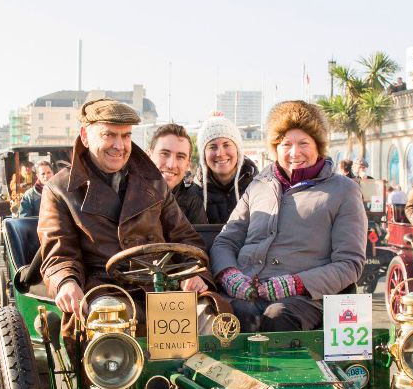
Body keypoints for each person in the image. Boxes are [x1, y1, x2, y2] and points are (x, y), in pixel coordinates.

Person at [37, 98, 208, 320]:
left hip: (162, 289)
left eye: (126, 136)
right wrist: (66, 282)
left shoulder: (153, 182)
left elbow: (185, 237)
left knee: (212, 316)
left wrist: (193, 274)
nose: (119, 146)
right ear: (85, 136)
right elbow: (59, 253)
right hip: (105, 291)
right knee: (108, 321)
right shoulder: (60, 189)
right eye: (109, 135)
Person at [211, 100, 365, 332]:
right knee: (217, 313)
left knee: (277, 316)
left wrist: (296, 284)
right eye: (286, 144)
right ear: (276, 148)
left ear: (318, 146)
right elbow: (226, 240)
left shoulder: (343, 190)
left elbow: (349, 263)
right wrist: (229, 274)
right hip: (245, 293)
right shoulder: (259, 185)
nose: (295, 153)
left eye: (303, 143)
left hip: (303, 300)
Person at [192, 116, 258, 225]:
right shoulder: (193, 195)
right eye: (212, 147)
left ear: (238, 150)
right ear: (204, 155)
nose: (220, 153)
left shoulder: (258, 189)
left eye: (226, 145)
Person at [148, 123, 204, 225]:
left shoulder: (193, 203)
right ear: (149, 155)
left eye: (180, 156)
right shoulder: (127, 193)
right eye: (164, 154)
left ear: (188, 164)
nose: (171, 165)